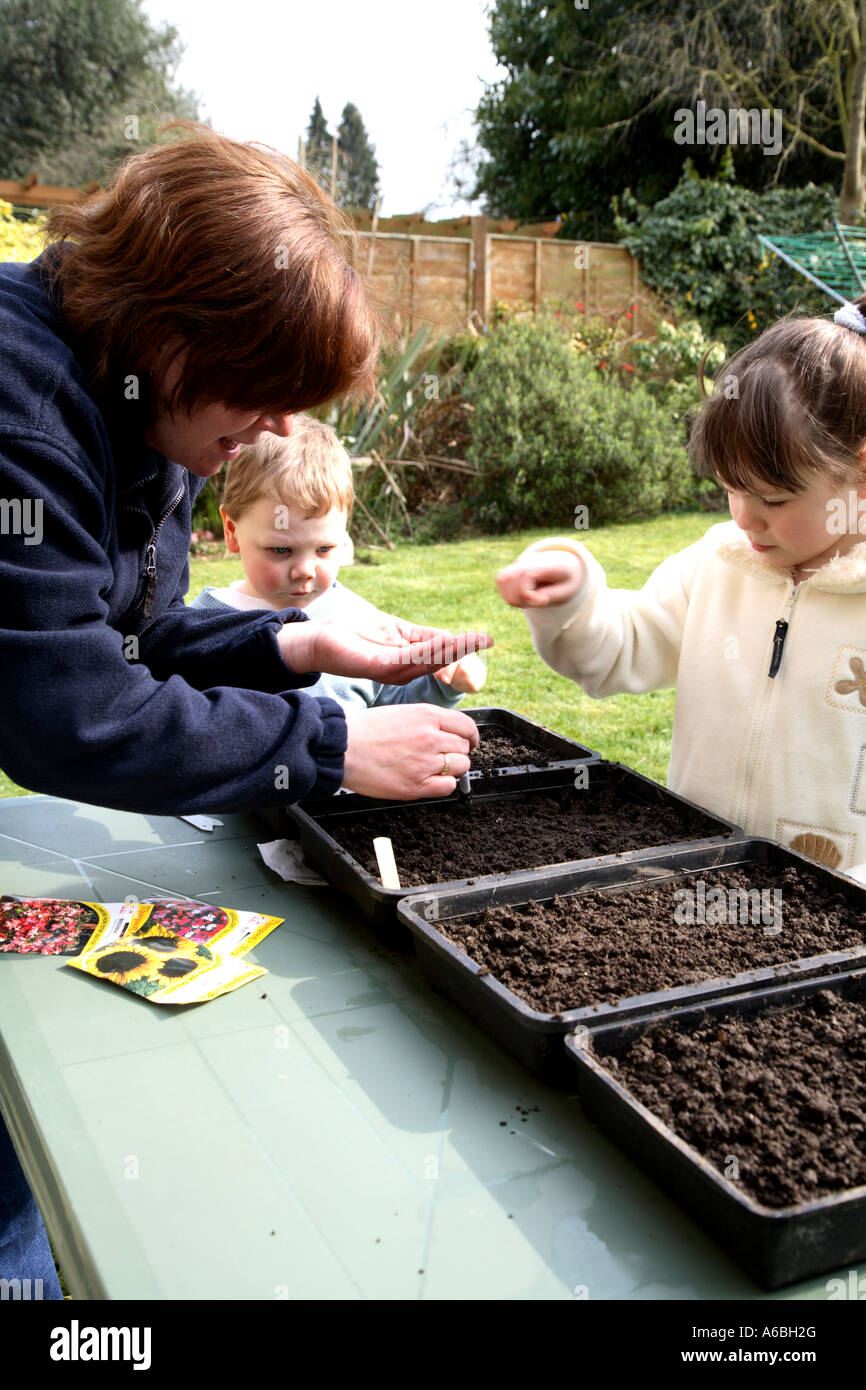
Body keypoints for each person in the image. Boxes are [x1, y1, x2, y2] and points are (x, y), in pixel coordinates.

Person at [0, 126, 489, 1297]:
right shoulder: (21, 421)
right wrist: (329, 742)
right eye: (264, 392)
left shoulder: (140, 402)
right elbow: (65, 711)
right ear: (173, 336)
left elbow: (120, 633)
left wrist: (285, 642)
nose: (277, 427)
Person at [497, 305, 866, 884]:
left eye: (772, 499)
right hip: (697, 881)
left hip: (833, 921)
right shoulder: (717, 564)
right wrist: (573, 597)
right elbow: (622, 648)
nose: (745, 518)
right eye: (728, 488)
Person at [189, 414, 488, 708]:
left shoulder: (359, 620)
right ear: (232, 531)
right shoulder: (200, 627)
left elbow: (393, 704)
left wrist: (444, 680)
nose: (305, 571)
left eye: (324, 548)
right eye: (281, 550)